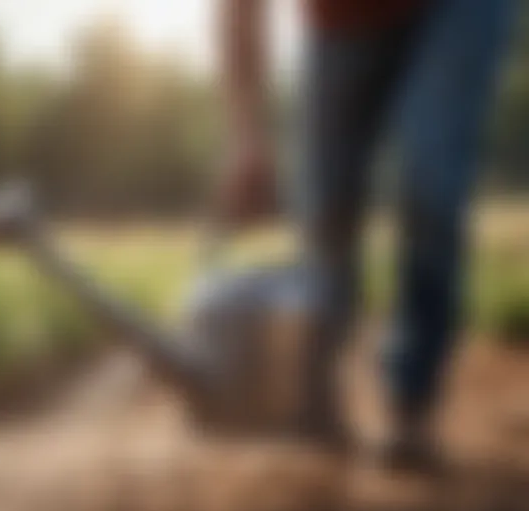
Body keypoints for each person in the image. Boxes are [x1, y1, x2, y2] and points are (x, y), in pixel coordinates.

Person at [217, 0, 517, 468]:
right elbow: (239, 11)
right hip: (341, 18)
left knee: (430, 178)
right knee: (324, 204)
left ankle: (410, 401)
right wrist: (248, 140)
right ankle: (316, 393)